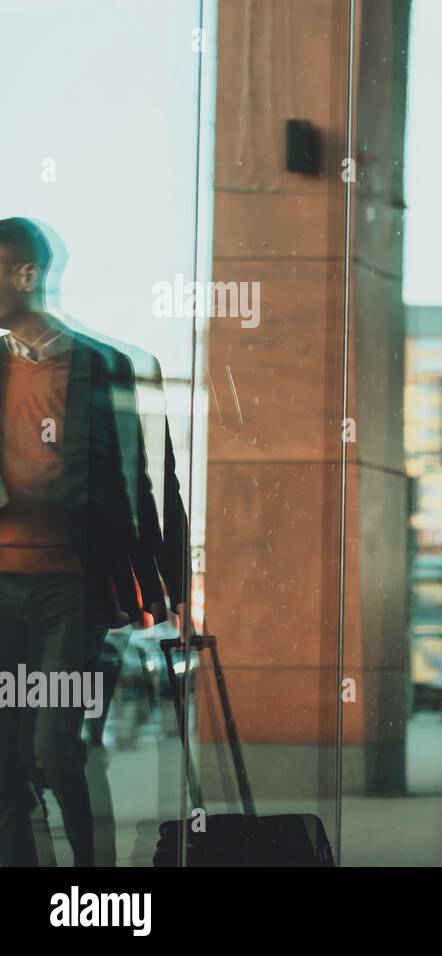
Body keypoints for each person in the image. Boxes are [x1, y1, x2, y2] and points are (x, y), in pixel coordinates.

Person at [0, 218, 189, 866]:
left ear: (25, 275)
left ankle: (90, 881)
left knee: (53, 751)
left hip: (69, 589)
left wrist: (174, 590)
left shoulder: (97, 365)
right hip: (1, 588)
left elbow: (146, 482)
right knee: (4, 761)